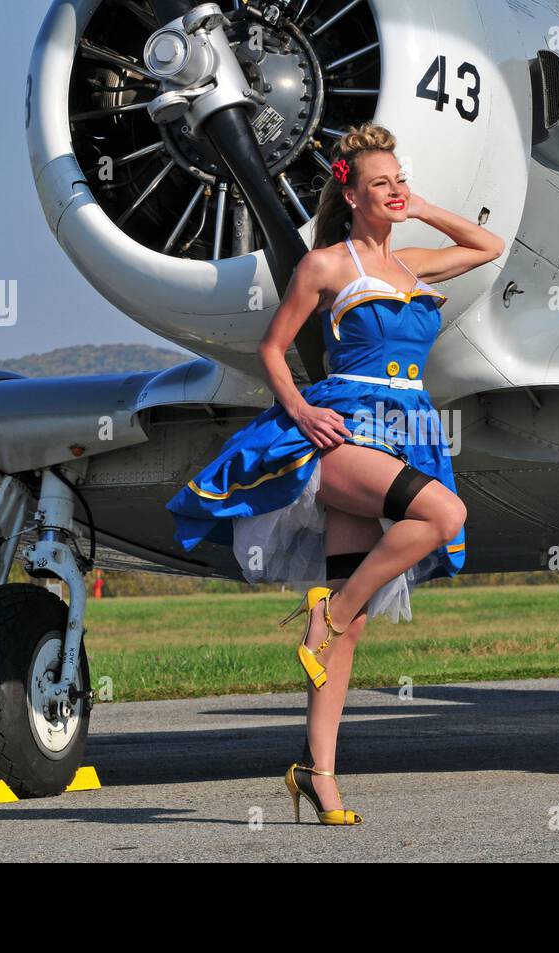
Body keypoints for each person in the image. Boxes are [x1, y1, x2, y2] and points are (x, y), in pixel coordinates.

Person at [165, 122, 505, 825]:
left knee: (349, 636)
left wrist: (422, 204)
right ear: (350, 193)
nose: (396, 190)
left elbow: (486, 246)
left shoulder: (413, 264)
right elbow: (272, 347)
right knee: (444, 516)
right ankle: (333, 611)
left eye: (399, 179)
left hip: (409, 432)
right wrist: (299, 410)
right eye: (382, 183)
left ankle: (317, 774)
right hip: (346, 427)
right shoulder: (326, 265)